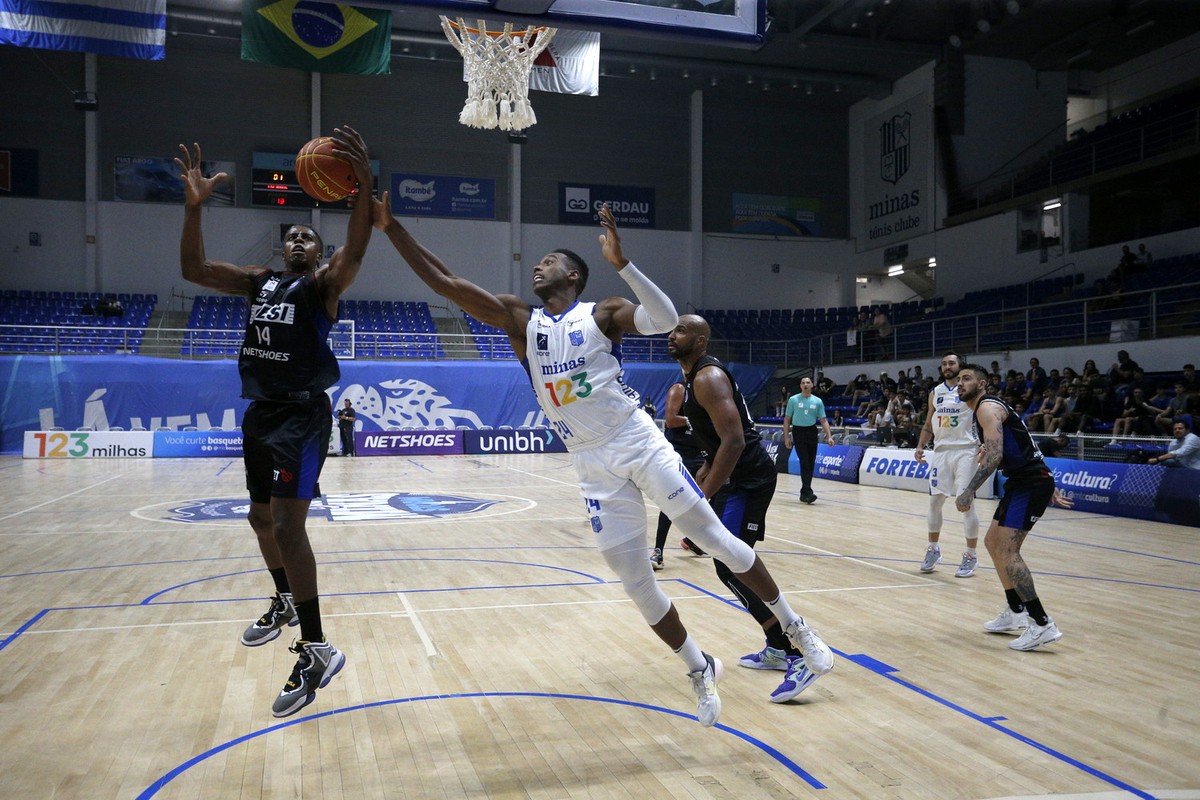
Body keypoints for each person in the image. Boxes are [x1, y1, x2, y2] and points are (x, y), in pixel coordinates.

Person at [373, 197, 834, 725]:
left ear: (572, 275)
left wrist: (623, 262)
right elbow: (444, 283)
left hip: (635, 440)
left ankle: (799, 631)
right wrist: (391, 229)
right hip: (589, 461)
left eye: (548, 261)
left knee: (715, 540)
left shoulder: (602, 313)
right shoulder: (520, 320)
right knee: (634, 580)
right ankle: (699, 665)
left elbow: (663, 319)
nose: (537, 267)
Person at [175, 128, 373, 718]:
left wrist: (364, 188)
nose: (296, 239)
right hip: (260, 413)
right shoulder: (259, 282)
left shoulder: (322, 286)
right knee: (259, 519)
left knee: (288, 526)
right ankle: (285, 597)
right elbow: (193, 269)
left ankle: (316, 648)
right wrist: (193, 209)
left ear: (318, 252)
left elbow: (358, 251)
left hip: (301, 415)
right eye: (291, 234)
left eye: (307, 236)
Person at [670, 315, 825, 703]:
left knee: (733, 564)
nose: (673, 335)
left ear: (701, 341)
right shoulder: (692, 380)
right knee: (728, 565)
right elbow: (715, 445)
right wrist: (699, 483)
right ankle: (777, 644)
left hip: (751, 479)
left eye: (682, 330)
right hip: (736, 480)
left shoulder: (707, 377)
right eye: (672, 329)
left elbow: (735, 441)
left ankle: (797, 653)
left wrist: (704, 496)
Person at [954, 363, 1073, 651]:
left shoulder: (986, 408)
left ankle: (1042, 623)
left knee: (1007, 550)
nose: (960, 383)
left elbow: (994, 455)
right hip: (1026, 481)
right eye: (958, 379)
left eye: (966, 378)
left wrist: (968, 490)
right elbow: (1022, 445)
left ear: (982, 384)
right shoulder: (986, 410)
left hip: (1029, 483)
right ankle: (1015, 610)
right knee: (993, 542)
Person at [914, 352, 982, 578]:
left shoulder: (970, 390)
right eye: (944, 363)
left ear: (960, 366)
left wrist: (985, 443)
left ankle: (971, 555)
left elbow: (984, 417)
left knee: (965, 504)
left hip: (966, 450)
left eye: (951, 363)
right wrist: (921, 445)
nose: (947, 366)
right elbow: (928, 422)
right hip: (941, 451)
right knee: (935, 501)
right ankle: (933, 550)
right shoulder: (936, 391)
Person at [650, 381, 708, 570]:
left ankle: (691, 540)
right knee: (671, 501)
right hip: (678, 453)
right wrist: (695, 419)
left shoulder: (707, 392)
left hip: (699, 452)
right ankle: (658, 552)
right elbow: (671, 419)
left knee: (708, 497)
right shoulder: (679, 389)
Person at [783, 376, 835, 504]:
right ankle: (808, 492)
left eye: (808, 382)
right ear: (800, 386)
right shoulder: (793, 400)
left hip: (811, 431)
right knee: (804, 461)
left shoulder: (817, 401)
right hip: (798, 432)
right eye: (803, 383)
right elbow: (787, 419)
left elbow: (823, 419)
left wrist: (829, 436)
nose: (805, 385)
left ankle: (804, 492)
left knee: (810, 463)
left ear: (812, 385)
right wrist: (786, 437)